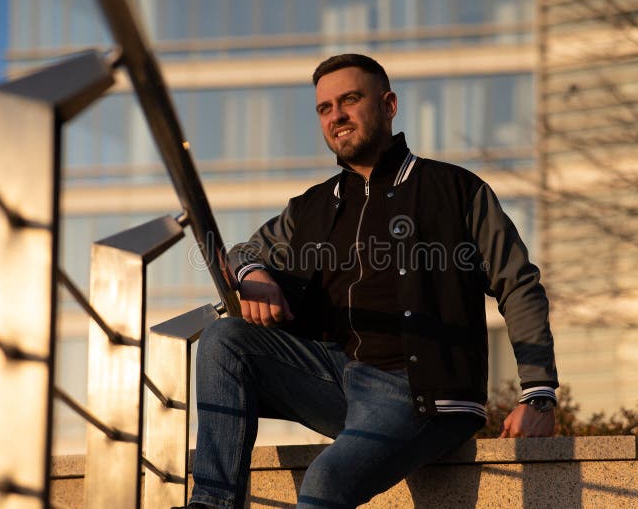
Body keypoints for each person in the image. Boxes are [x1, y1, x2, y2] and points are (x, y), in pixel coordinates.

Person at [185, 54, 558, 509]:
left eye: (350, 100)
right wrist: (253, 273)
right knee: (225, 338)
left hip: (422, 392)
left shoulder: (455, 189)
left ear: (388, 105)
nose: (336, 115)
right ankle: (211, 504)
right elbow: (241, 253)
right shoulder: (310, 207)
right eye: (325, 108)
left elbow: (518, 283)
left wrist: (538, 395)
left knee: (325, 479)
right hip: (336, 379)